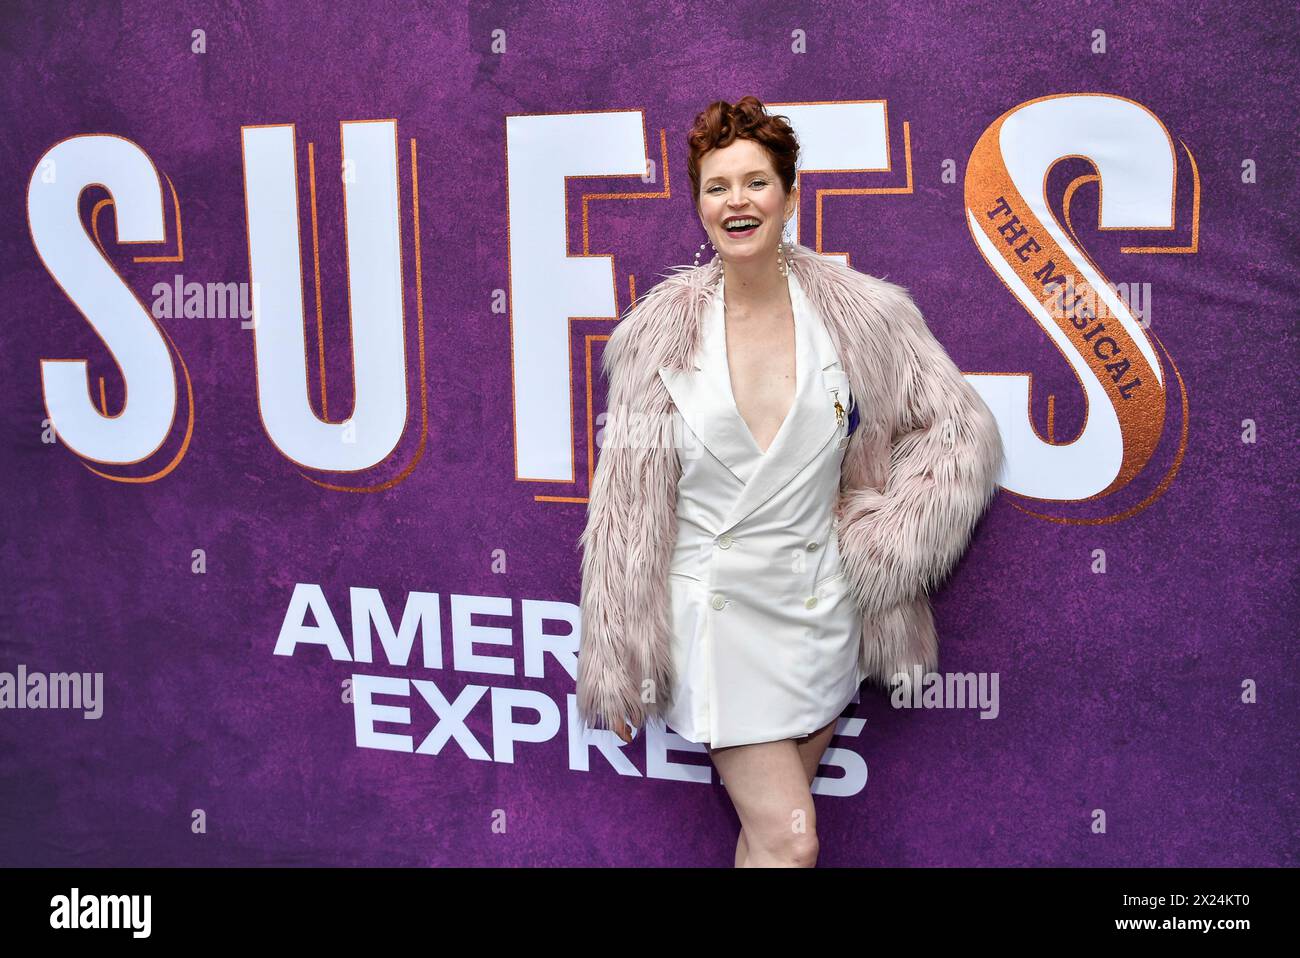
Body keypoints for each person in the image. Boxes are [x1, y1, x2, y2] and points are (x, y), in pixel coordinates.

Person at [576, 96, 1004, 867]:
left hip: (818, 611)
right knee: (793, 841)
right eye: (716, 186)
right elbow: (625, 505)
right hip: (717, 619)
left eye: (755, 182)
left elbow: (960, 431)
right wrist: (618, 650)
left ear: (790, 194)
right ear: (698, 204)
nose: (736, 201)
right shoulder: (656, 337)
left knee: (769, 843)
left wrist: (881, 545)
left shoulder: (861, 316)